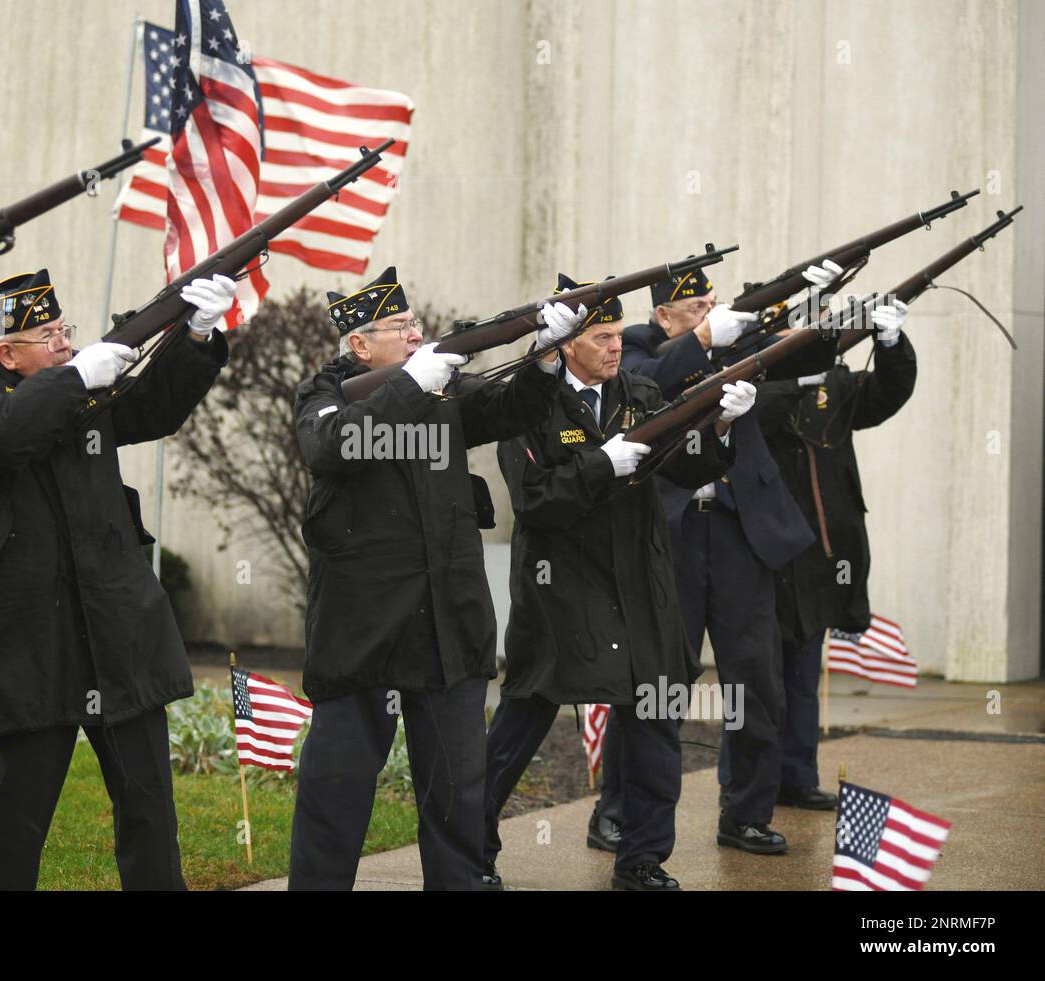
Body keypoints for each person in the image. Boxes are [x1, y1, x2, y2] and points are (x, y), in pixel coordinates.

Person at [0, 268, 235, 890]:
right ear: (6, 354)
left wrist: (197, 336)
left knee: (149, 807)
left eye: (64, 329)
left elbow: (153, 408)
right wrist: (77, 377)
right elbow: (2, 438)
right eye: (49, 336)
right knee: (20, 813)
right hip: (35, 643)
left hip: (116, 631)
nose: (66, 343)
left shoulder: (80, 394)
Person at [289, 266, 571, 890]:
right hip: (362, 632)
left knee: (457, 799)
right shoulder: (326, 396)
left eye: (414, 322)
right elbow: (334, 447)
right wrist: (413, 386)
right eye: (399, 327)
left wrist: (546, 358)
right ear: (359, 346)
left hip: (448, 622)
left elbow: (506, 408)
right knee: (336, 795)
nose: (416, 335)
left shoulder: (440, 389)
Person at [484, 274, 756, 890]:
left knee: (656, 718)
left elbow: (683, 463)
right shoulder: (530, 404)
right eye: (602, 336)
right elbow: (533, 501)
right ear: (568, 345)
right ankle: (471, 849)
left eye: (616, 333)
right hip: (563, 586)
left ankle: (641, 859)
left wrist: (719, 427)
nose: (617, 345)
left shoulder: (636, 389)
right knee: (526, 716)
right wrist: (599, 466)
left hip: (639, 580)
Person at [621, 268, 813, 854]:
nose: (711, 313)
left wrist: (814, 294)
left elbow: (807, 348)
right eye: (696, 307)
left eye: (712, 304)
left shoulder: (742, 343)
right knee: (657, 685)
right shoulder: (634, 349)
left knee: (757, 680)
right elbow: (645, 384)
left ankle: (747, 813)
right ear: (663, 318)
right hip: (670, 534)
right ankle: (620, 817)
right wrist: (703, 342)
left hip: (737, 531)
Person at [755, 269, 916, 809]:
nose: (818, 336)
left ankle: (797, 778)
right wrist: (795, 380)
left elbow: (885, 396)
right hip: (767, 555)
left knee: (803, 676)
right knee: (760, 682)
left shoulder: (835, 384)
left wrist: (890, 343)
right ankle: (751, 792)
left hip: (822, 557)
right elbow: (761, 408)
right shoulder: (749, 384)